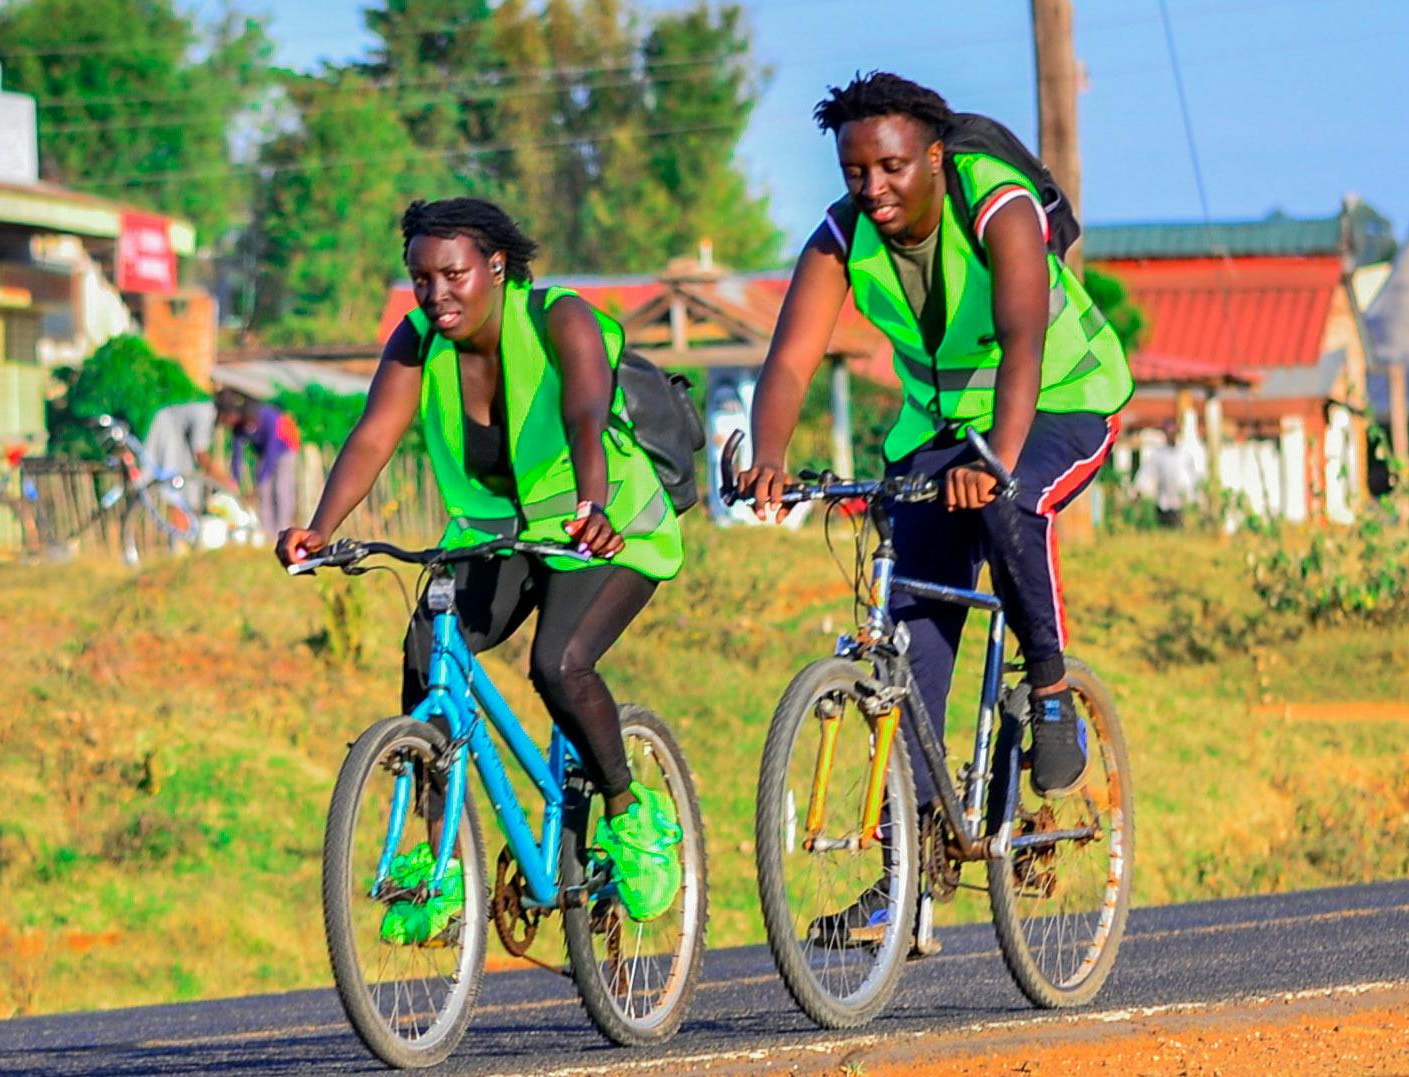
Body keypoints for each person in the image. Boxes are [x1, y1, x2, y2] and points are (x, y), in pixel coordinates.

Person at [736, 72, 1134, 814]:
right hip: (942, 429)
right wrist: (769, 458)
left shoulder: (996, 201)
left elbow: (1021, 340)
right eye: (855, 171)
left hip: (1058, 400)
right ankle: (911, 855)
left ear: (935, 157)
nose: (873, 186)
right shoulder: (839, 236)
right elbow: (789, 359)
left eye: (891, 166)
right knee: (908, 624)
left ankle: (1048, 688)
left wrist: (998, 462)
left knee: (1006, 507)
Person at [277, 197, 683, 923]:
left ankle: (629, 813)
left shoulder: (559, 317)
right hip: (494, 533)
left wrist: (592, 505)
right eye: (420, 279)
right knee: (425, 647)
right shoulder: (415, 340)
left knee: (558, 663)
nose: (436, 295)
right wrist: (318, 528)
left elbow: (586, 412)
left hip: (605, 524)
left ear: (495, 265)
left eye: (453, 274)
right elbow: (374, 436)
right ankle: (443, 864)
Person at [218, 389, 301, 542]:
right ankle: (268, 534)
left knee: (281, 490)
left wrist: (262, 477)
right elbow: (237, 455)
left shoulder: (269, 417)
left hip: (284, 450)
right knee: (264, 493)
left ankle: (282, 531)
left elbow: (272, 450)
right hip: (263, 454)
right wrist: (236, 479)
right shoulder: (239, 427)